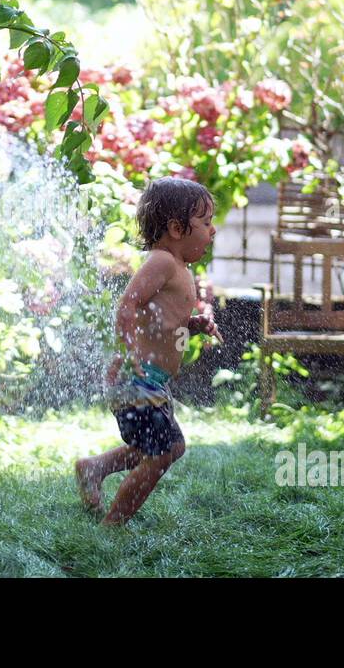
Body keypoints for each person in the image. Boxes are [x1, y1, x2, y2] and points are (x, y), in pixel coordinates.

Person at [75, 177, 223, 525]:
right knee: (165, 451)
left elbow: (162, 321)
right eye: (204, 223)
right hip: (135, 377)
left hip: (151, 382)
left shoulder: (179, 269)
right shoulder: (162, 262)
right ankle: (113, 525)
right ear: (176, 228)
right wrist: (127, 351)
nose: (212, 231)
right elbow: (128, 304)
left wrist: (193, 325)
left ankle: (95, 467)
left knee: (157, 447)